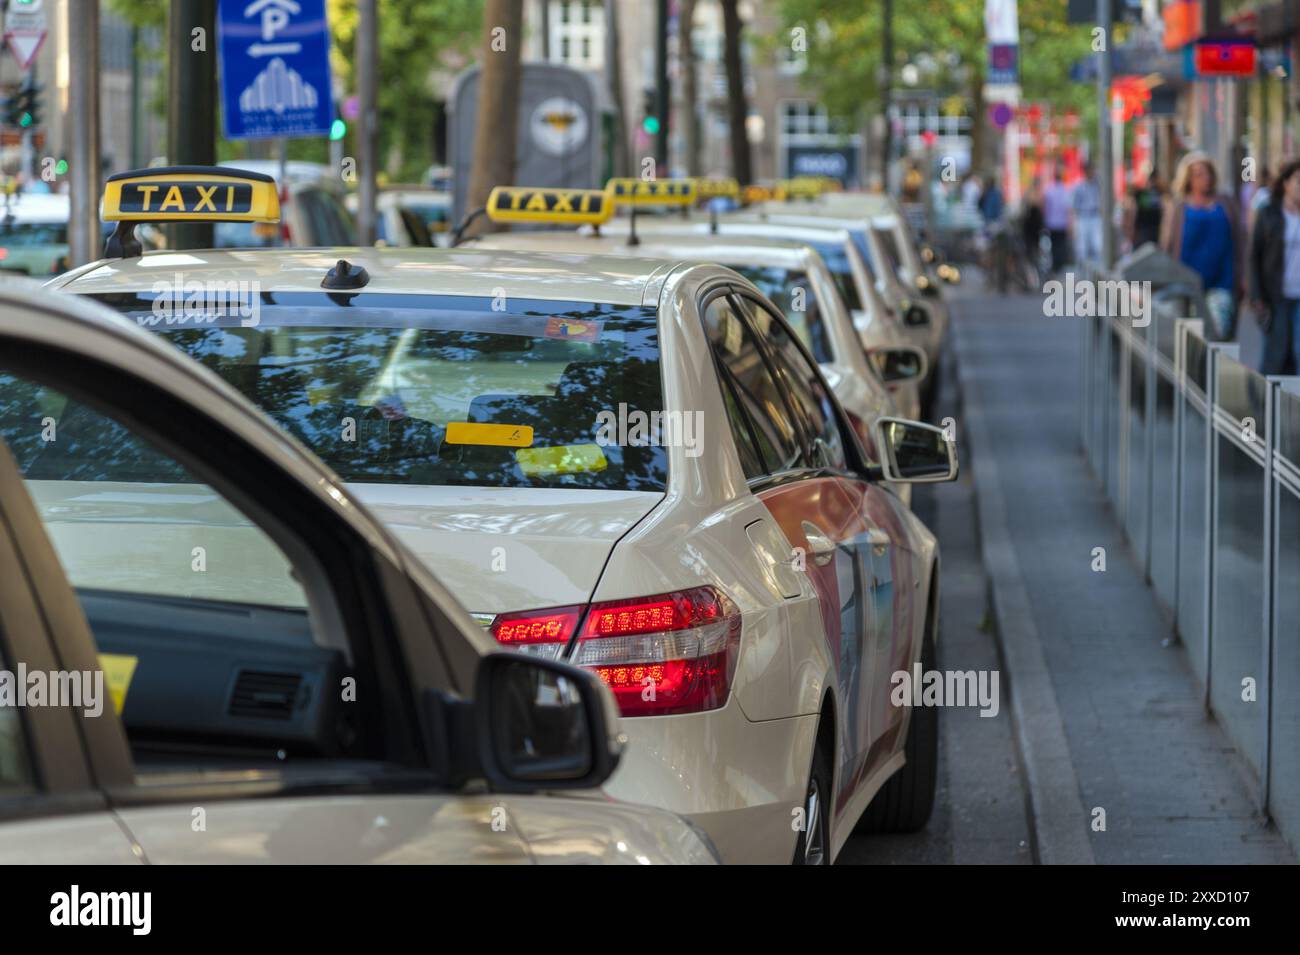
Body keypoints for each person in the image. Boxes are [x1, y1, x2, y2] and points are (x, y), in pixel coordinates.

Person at [1160, 151, 1244, 340]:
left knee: (1217, 333)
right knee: (1188, 338)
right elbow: (1167, 244)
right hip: (1186, 282)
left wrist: (1243, 276)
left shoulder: (1225, 203)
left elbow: (1240, 239)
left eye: (1207, 173)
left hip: (1221, 281)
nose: (1204, 178)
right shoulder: (1179, 207)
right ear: (1188, 178)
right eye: (1198, 174)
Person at [1248, 158, 1300, 374]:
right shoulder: (1268, 213)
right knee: (1275, 354)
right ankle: (1265, 404)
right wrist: (1256, 295)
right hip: (1275, 295)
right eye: (1298, 180)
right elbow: (1255, 256)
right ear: (1286, 183)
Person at [1071, 163, 1104, 264]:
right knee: (1082, 248)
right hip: (1083, 217)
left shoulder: (1098, 184)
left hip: (1095, 216)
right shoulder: (1079, 186)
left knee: (1097, 246)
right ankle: (1083, 273)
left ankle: (1096, 272)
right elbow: (1074, 206)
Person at [1124, 172, 1164, 251]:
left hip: (1151, 231)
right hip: (1143, 231)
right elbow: (1131, 213)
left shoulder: (1159, 193)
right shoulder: (1140, 194)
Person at [1042, 169, 1072, 274]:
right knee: (1061, 245)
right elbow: (1068, 209)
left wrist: (1045, 220)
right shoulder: (1065, 190)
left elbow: (1045, 208)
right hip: (1062, 223)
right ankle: (1060, 266)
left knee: (1054, 246)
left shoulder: (1049, 190)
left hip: (1051, 223)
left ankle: (1055, 266)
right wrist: (1070, 223)